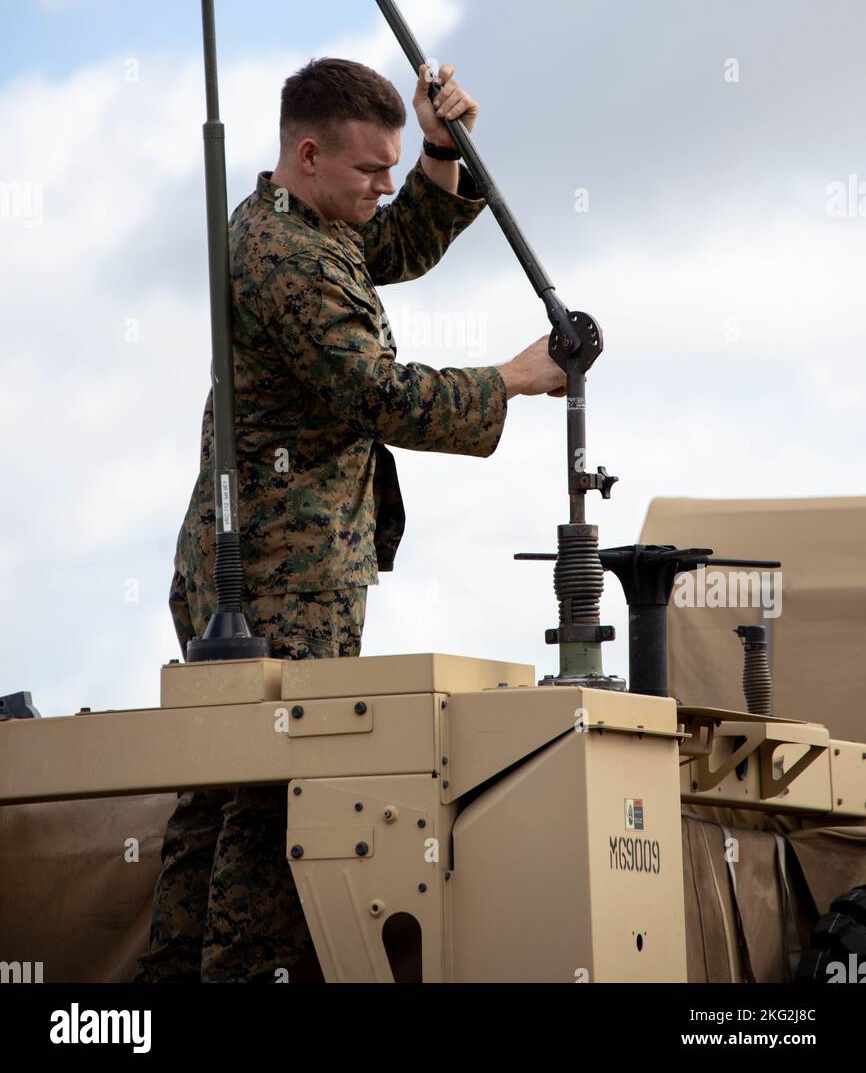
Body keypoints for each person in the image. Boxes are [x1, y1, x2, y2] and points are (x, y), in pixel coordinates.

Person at [133, 57, 566, 983]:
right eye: (372, 171)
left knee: (218, 800)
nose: (382, 187)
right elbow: (379, 395)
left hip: (261, 569)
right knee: (275, 806)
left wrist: (441, 152)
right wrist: (513, 380)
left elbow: (393, 242)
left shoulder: (297, 220)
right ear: (308, 152)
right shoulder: (287, 258)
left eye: (391, 166)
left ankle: (169, 980)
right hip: (280, 581)